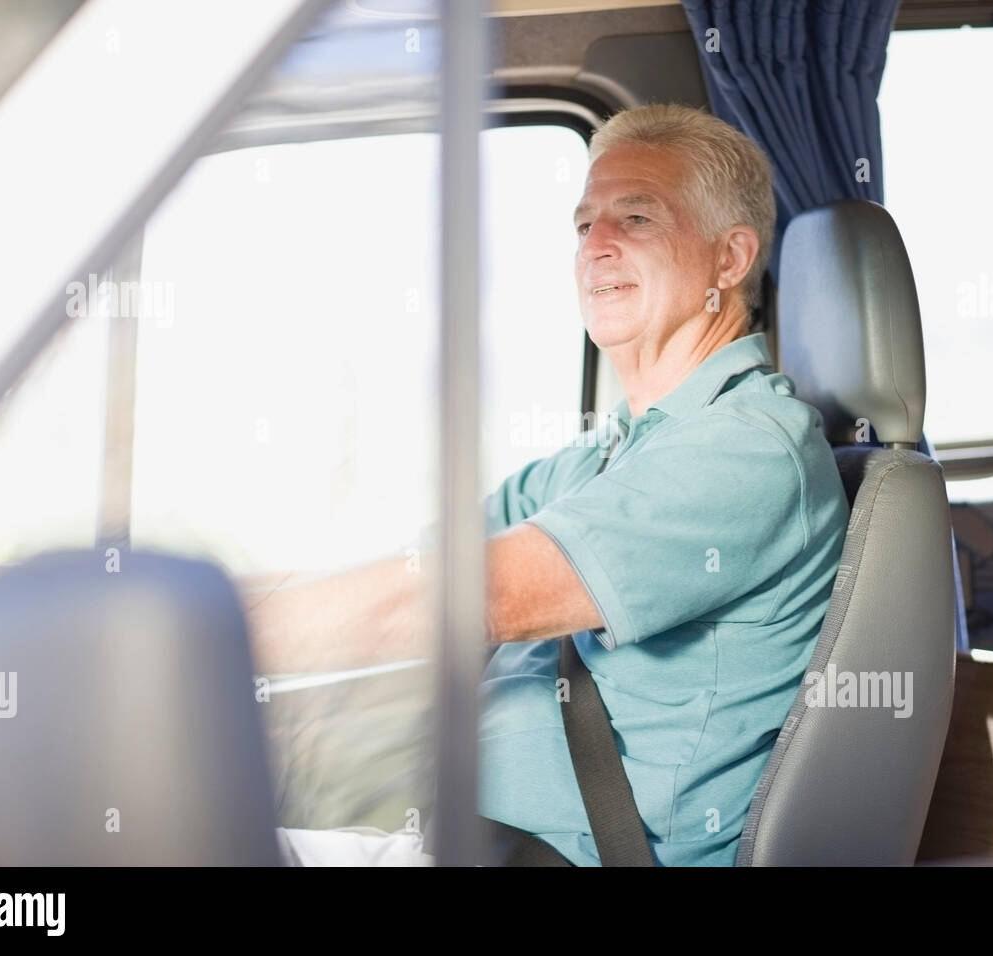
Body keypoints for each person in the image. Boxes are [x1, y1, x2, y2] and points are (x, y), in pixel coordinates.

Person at [253, 103, 850, 866]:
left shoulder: (749, 451)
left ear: (730, 260)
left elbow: (462, 599)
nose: (595, 247)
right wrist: (221, 604)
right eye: (584, 226)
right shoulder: (613, 452)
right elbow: (421, 566)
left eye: (636, 218)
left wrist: (200, 641)